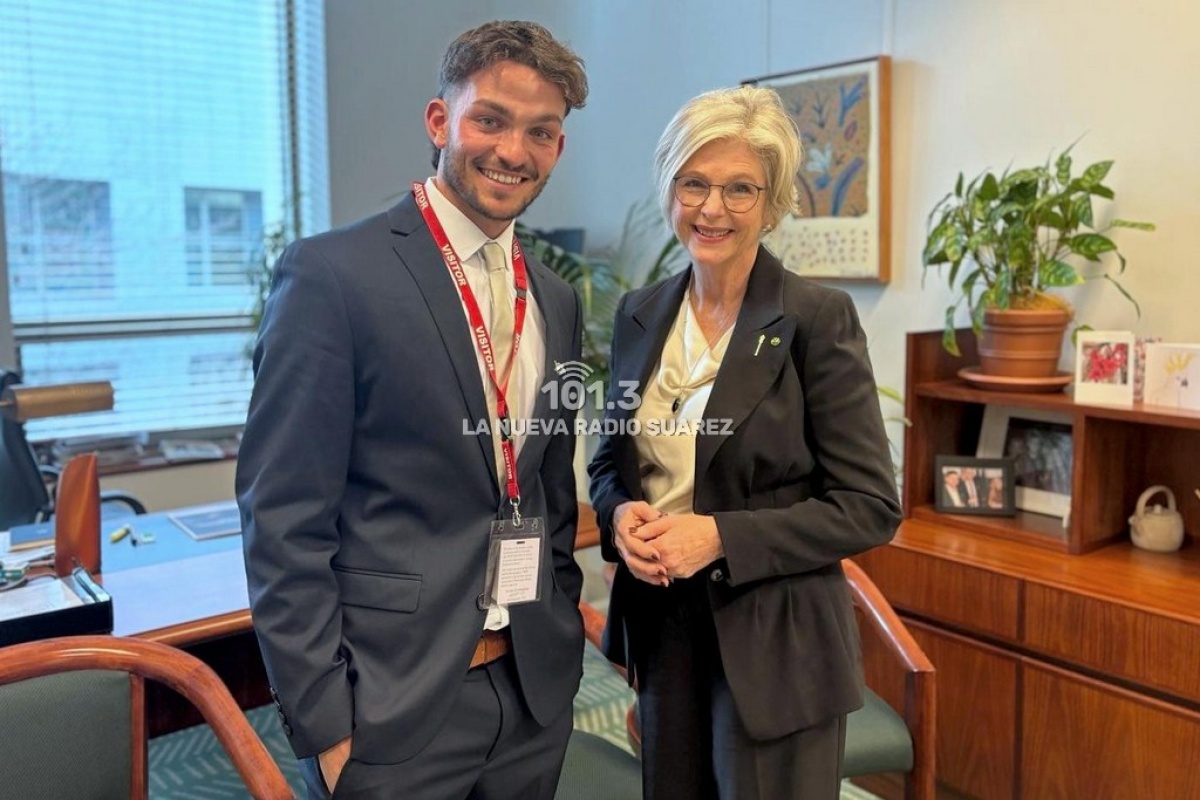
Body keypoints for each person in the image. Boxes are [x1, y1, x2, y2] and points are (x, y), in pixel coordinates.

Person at [237, 21, 588, 800]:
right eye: (489, 119)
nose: (512, 150)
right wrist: (325, 723)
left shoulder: (556, 300)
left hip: (531, 692)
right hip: (391, 706)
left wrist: (560, 644)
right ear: (441, 122)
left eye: (540, 131)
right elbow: (283, 518)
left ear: (557, 148)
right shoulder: (333, 275)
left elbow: (549, 494)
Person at [588, 85, 902, 800]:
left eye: (739, 189)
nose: (712, 208)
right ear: (670, 188)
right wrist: (619, 517)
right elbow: (611, 462)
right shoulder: (642, 314)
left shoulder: (815, 318)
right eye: (693, 183)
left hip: (775, 646)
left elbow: (869, 506)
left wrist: (719, 537)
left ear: (773, 201)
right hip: (665, 629)